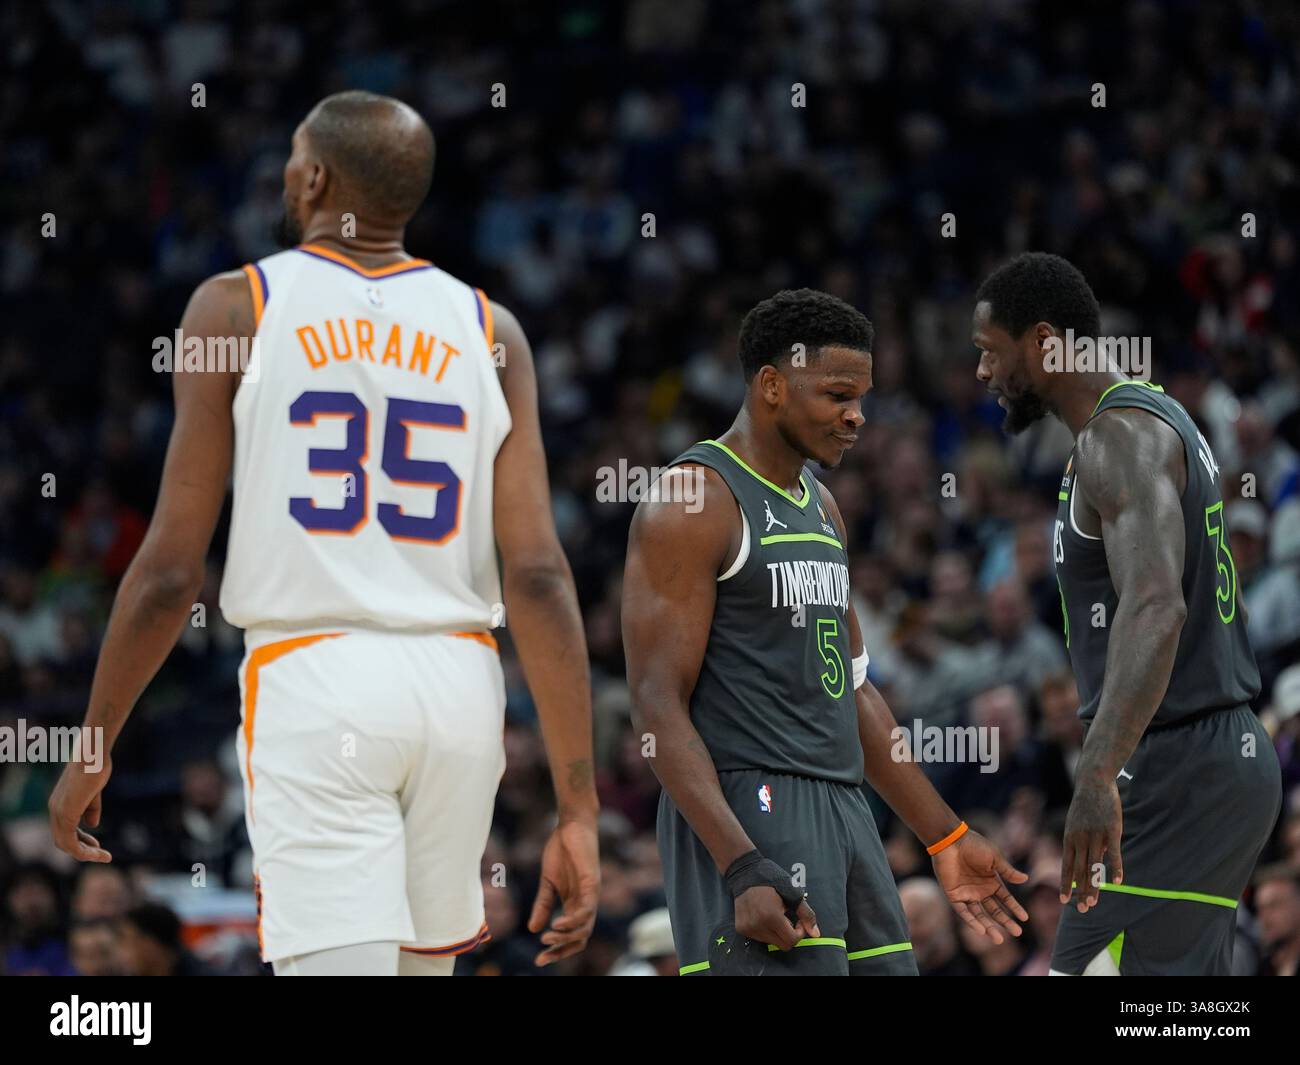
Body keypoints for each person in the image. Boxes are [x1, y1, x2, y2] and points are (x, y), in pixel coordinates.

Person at [48, 91, 599, 976]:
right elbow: (538, 577)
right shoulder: (493, 330)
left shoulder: (235, 307)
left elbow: (166, 573)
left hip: (317, 677)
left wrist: (94, 739)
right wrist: (578, 808)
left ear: (311, 175)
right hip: (460, 685)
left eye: (290, 157)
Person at [622, 288, 1028, 976]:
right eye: (838, 394)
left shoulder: (825, 507)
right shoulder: (693, 500)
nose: (856, 416)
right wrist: (742, 862)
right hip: (753, 804)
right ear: (772, 385)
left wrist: (945, 833)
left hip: (845, 809)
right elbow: (657, 705)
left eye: (862, 397)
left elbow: (856, 690)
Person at [972, 251, 1284, 974]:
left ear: (1044, 341)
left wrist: (1096, 771)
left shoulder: (1119, 437)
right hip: (1211, 756)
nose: (983, 373)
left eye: (991, 352)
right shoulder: (1150, 419)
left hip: (1175, 761)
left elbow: (1155, 606)